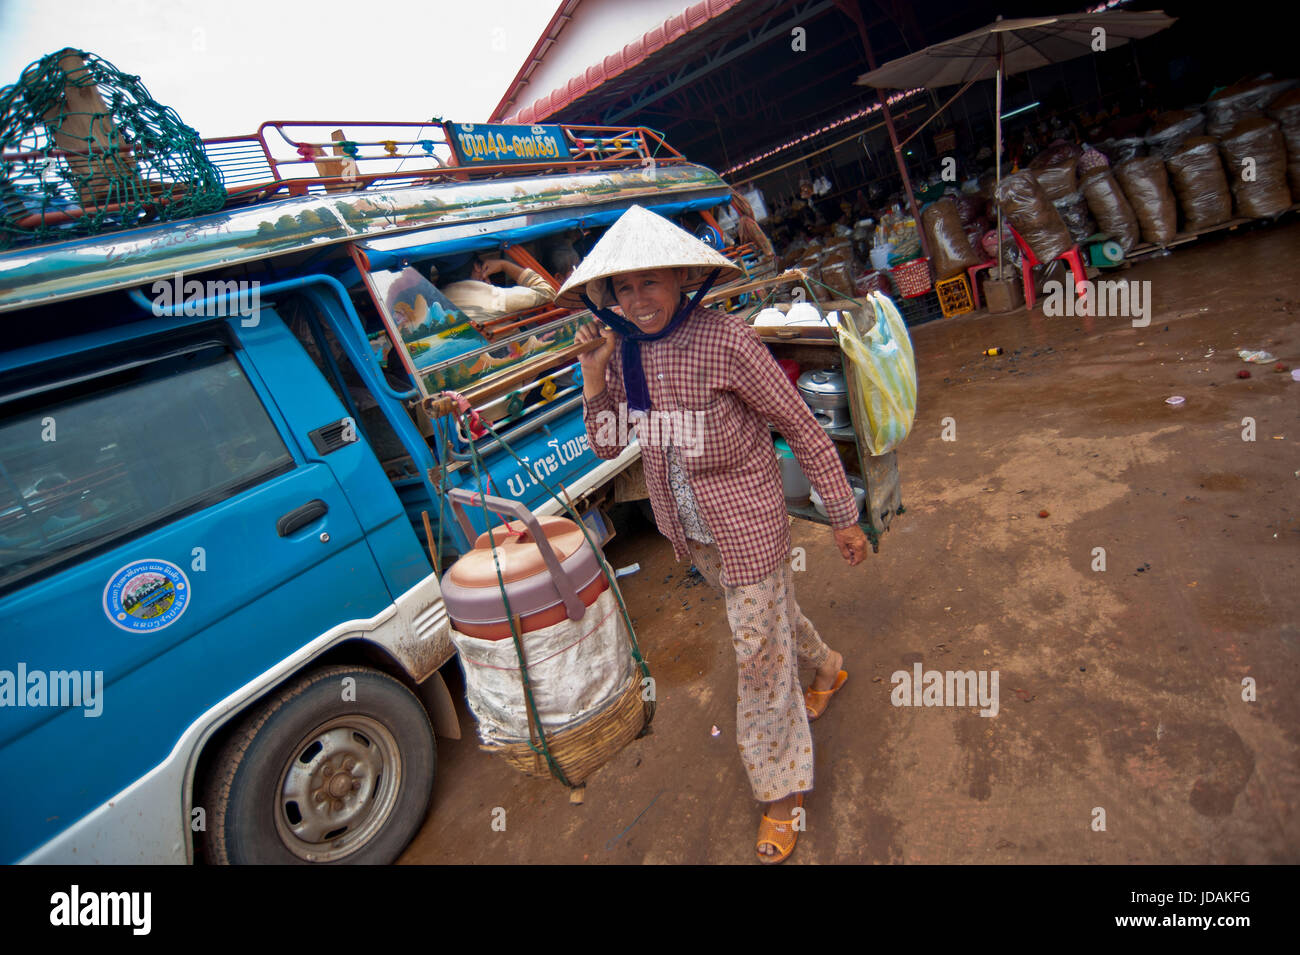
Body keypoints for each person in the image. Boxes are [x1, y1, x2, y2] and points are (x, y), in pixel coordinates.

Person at [558, 205, 868, 863]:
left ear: (680, 279)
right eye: (624, 288)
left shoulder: (728, 341)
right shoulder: (624, 355)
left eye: (652, 283)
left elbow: (803, 427)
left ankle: (781, 791)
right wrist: (593, 376)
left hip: (750, 525)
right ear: (608, 296)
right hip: (691, 532)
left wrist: (844, 515)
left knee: (757, 657)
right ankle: (830, 668)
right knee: (773, 621)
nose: (639, 300)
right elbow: (611, 442)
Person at [435, 255, 554, 322]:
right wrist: (504, 265)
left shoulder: (436, 301)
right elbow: (548, 292)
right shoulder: (494, 297)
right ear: (477, 267)